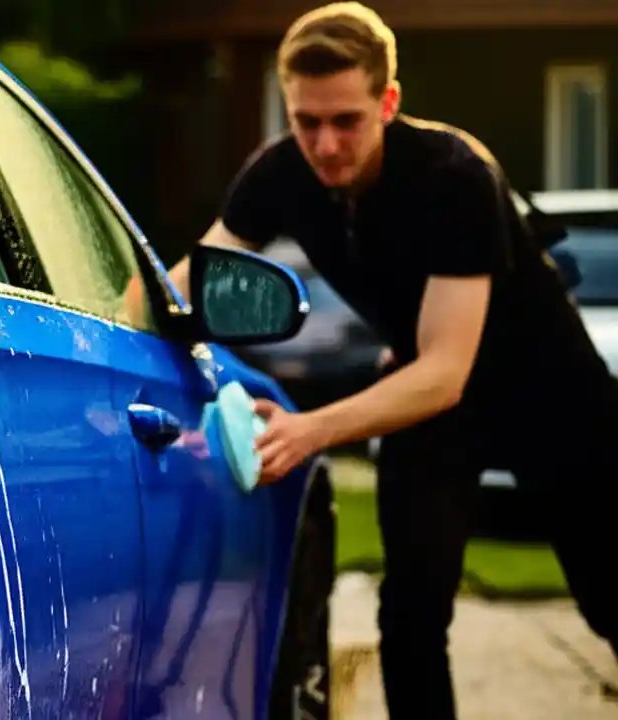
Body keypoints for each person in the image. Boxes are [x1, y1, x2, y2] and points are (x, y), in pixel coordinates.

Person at [160, 3, 618, 717]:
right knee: (409, 622)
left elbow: (444, 373)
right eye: (306, 121)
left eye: (347, 120)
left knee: (613, 602)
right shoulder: (281, 172)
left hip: (548, 393)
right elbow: (191, 277)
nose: (326, 143)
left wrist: (308, 429)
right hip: (426, 394)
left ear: (389, 102)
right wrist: (116, 319)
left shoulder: (454, 174)